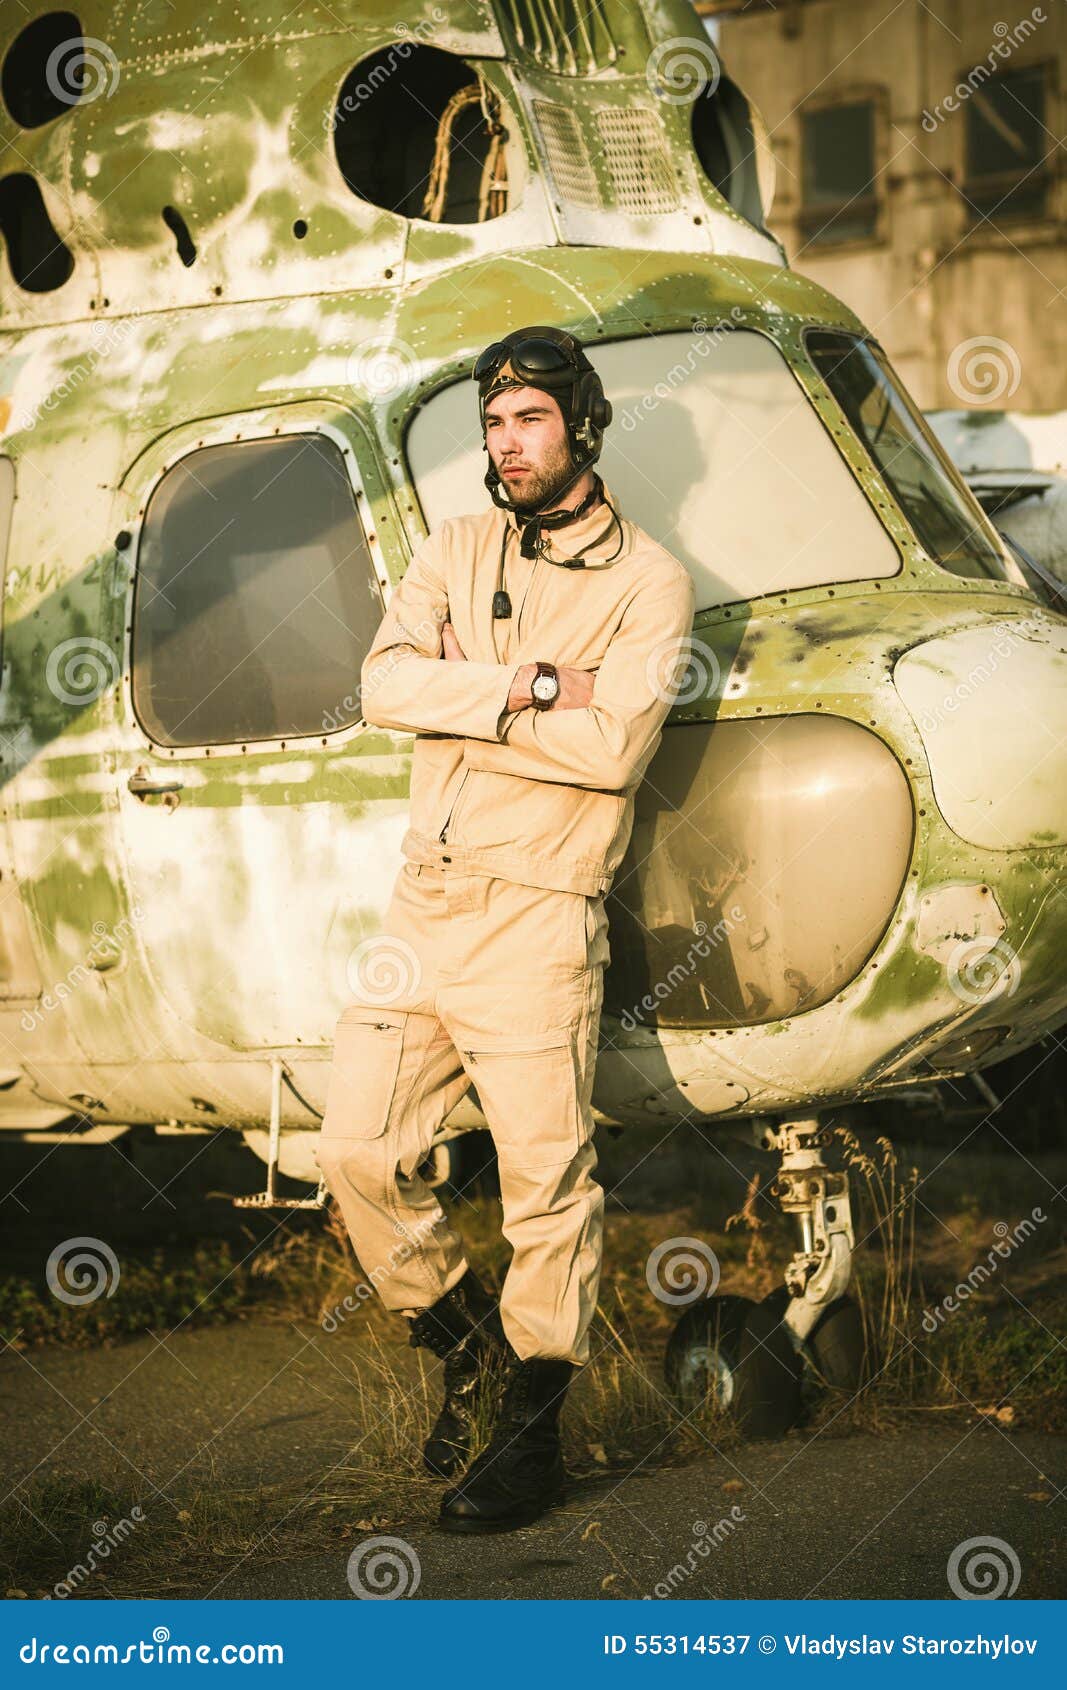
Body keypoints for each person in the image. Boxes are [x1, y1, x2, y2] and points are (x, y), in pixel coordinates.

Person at [316, 325, 695, 1533]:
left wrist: (461, 694)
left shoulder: (649, 579)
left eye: (527, 420)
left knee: (545, 1181)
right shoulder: (457, 541)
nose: (505, 443)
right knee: (353, 1152)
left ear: (578, 427)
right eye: (491, 423)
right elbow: (380, 686)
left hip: (536, 912)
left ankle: (533, 1433)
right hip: (421, 897)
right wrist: (531, 683)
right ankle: (465, 1342)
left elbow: (613, 751)